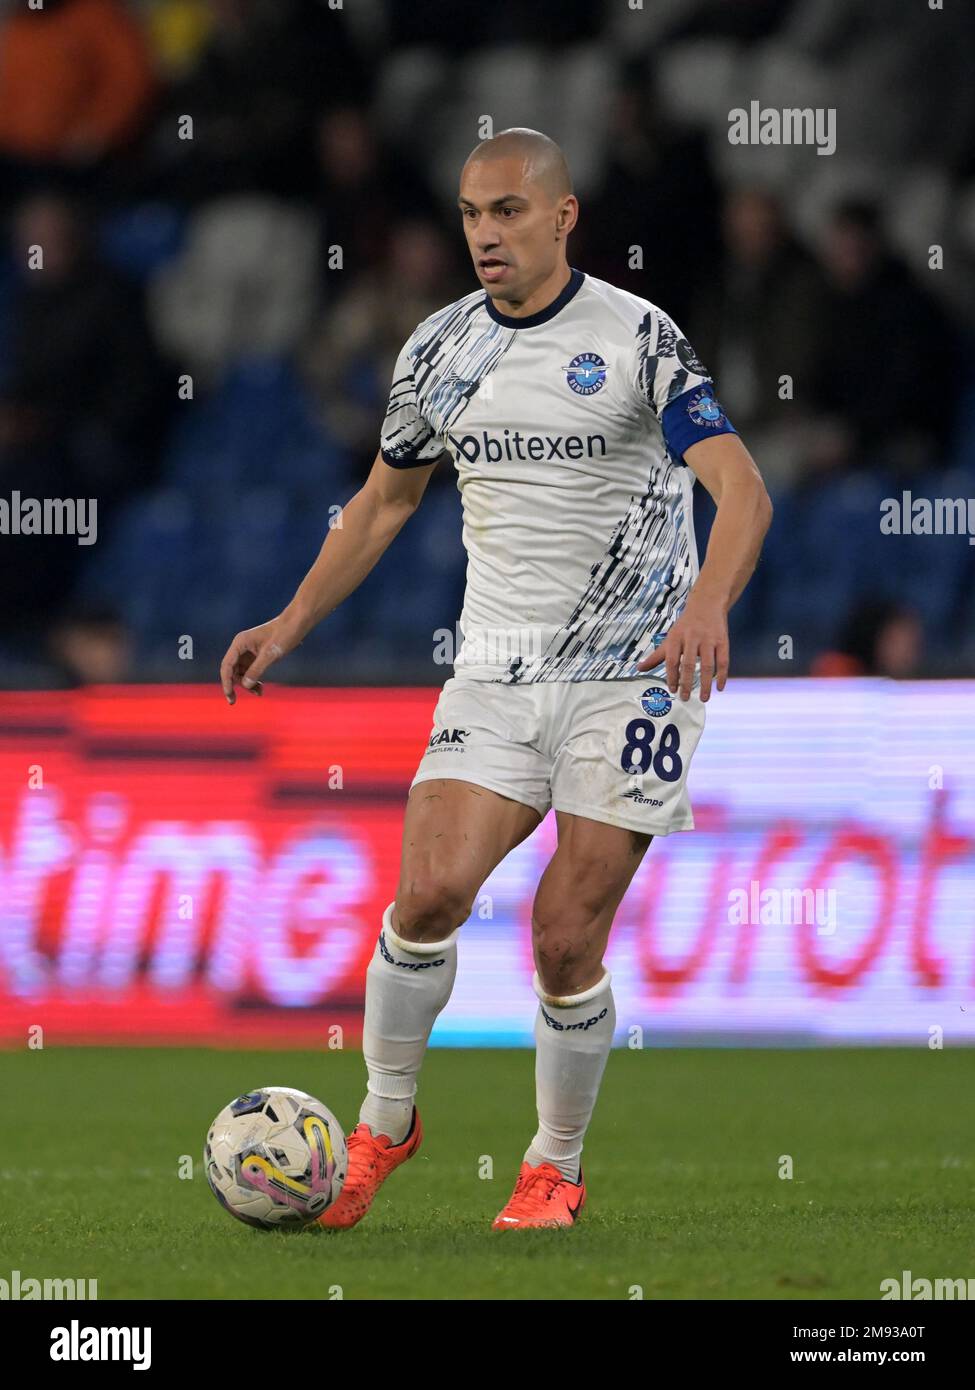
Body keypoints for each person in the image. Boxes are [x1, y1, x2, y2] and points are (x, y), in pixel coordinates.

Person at [219, 128, 773, 1230]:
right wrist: (289, 620)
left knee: (566, 935)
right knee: (426, 895)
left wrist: (708, 601)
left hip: (635, 676)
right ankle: (384, 1122)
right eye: (473, 214)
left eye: (510, 212)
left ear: (563, 218)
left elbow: (743, 489)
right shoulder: (438, 351)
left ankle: (553, 1164)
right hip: (495, 666)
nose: (486, 235)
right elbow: (384, 501)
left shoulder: (638, 338)